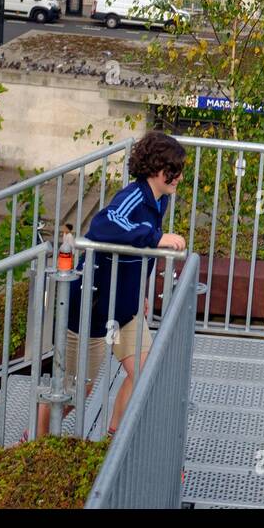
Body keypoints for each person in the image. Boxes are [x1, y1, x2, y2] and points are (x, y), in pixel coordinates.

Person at [36, 131, 187, 438]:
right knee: (76, 393)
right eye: (175, 170)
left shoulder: (160, 201)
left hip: (125, 309)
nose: (180, 178)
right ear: (157, 169)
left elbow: (139, 257)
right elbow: (104, 225)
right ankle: (34, 440)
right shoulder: (133, 196)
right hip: (91, 307)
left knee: (144, 371)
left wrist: (141, 293)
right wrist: (156, 238)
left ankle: (113, 441)